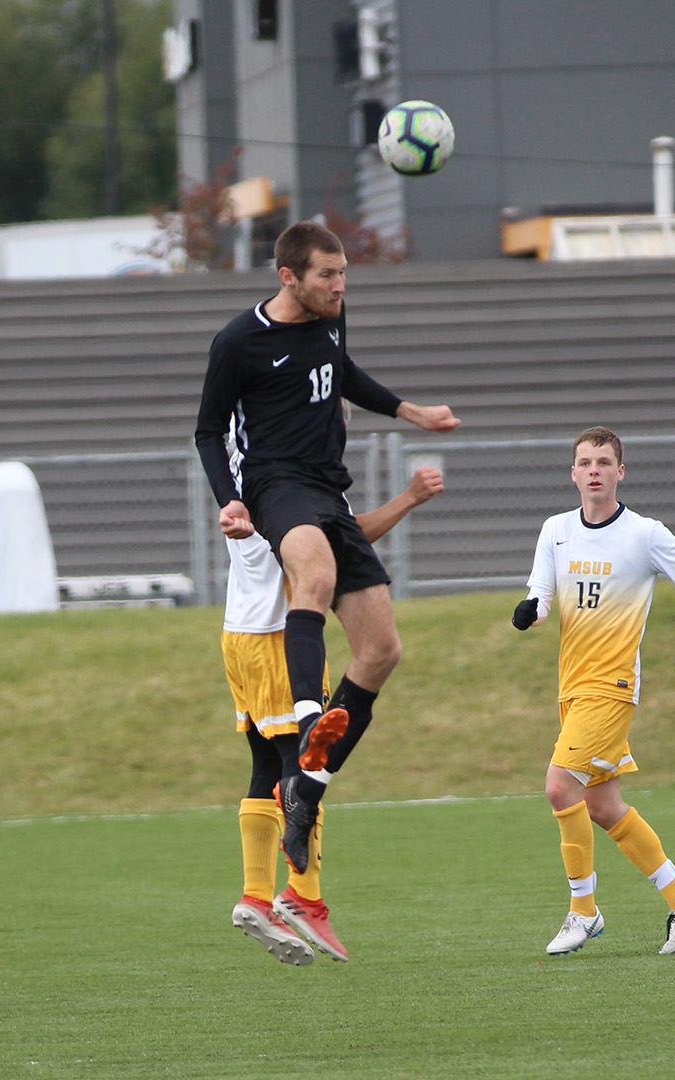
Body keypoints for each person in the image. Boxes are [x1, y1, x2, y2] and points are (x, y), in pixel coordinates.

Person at [194, 220, 460, 879]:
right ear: (289, 276)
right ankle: (312, 718)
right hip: (275, 484)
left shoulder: (332, 317)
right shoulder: (239, 342)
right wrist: (230, 498)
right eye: (326, 276)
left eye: (343, 275)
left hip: (328, 488)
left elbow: (341, 373)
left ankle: (308, 786)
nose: (339, 286)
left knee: (381, 649)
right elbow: (205, 431)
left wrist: (411, 412)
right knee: (311, 575)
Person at [512, 427, 675, 956]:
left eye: (604, 462)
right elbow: (541, 594)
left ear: (620, 472)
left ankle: (584, 912)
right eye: (585, 462)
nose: (594, 470)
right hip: (571, 689)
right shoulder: (555, 530)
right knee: (604, 806)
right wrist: (530, 611)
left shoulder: (644, 534)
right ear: (574, 473)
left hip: (612, 687)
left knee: (560, 788)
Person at [228, 466, 446, 965]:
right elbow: (340, 543)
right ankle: (303, 895)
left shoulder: (251, 466)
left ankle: (257, 896)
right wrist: (409, 498)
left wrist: (408, 500)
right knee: (305, 765)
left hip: (237, 631)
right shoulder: (297, 480)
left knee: (266, 764)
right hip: (281, 633)